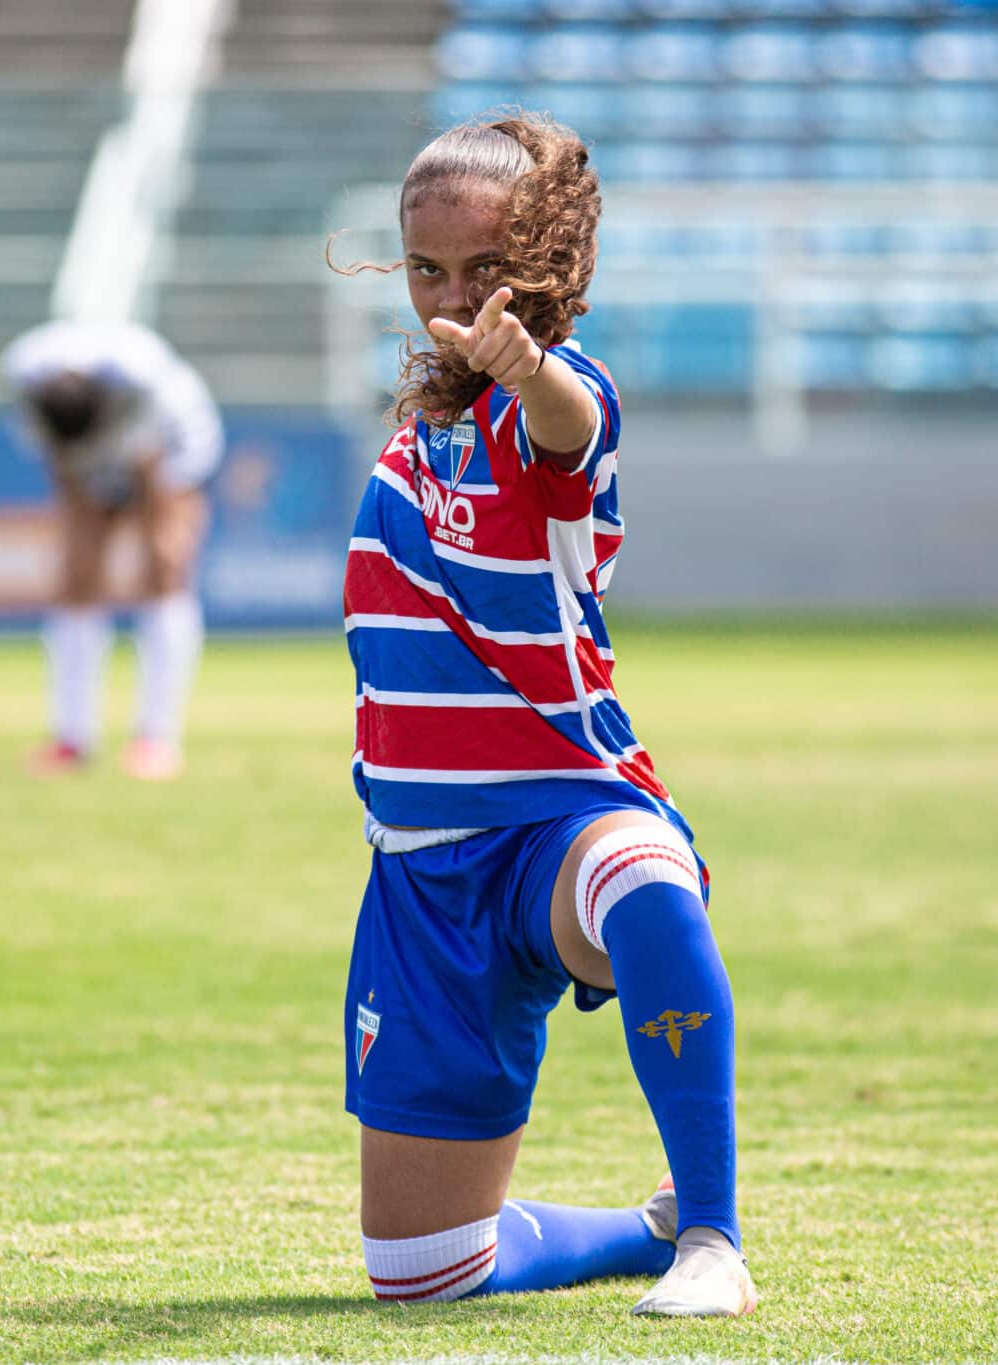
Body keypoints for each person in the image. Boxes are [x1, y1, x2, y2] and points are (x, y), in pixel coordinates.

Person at [331, 114, 754, 1316]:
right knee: (418, 1277)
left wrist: (529, 370)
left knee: (639, 878)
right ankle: (645, 1228)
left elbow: (570, 423)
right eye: (427, 271)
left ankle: (712, 1239)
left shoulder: (552, 403)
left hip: (558, 821)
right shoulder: (421, 430)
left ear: (547, 269)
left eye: (485, 273)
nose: (451, 300)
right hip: (418, 874)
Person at [0, 320, 221, 781]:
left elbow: (152, 473)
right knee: (77, 573)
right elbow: (64, 470)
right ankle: (71, 738)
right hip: (106, 438)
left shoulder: (145, 388)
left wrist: (159, 528)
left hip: (171, 447)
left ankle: (156, 738)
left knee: (162, 567)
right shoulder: (25, 373)